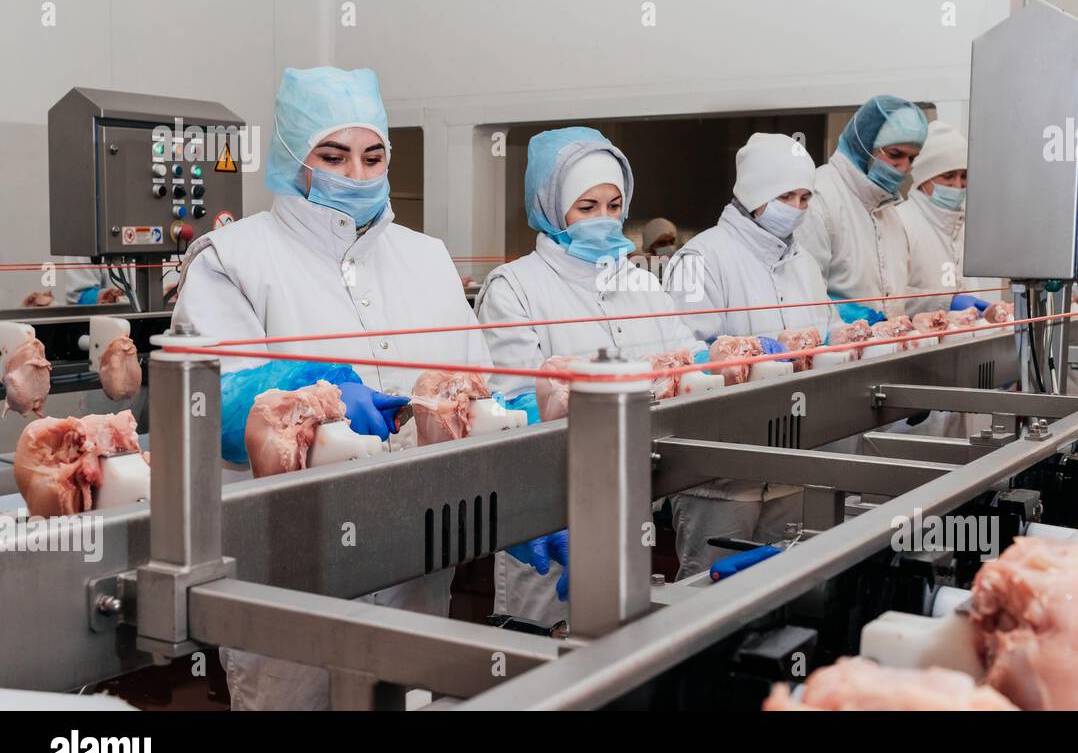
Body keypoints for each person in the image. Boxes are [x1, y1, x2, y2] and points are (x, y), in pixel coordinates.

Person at [172, 66, 492, 709]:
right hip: (286, 575)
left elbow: (485, 388)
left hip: (414, 558)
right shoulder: (233, 258)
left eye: (374, 157)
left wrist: (525, 481)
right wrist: (319, 394)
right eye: (334, 155)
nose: (358, 174)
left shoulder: (427, 258)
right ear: (295, 156)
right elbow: (212, 405)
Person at [475, 126, 705, 623]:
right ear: (551, 208)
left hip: (634, 490)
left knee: (622, 647)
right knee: (541, 651)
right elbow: (511, 403)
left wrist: (727, 361)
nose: (604, 219)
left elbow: (688, 360)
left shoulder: (645, 284)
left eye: (613, 204)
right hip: (549, 506)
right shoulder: (515, 287)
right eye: (586, 207)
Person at [663, 133, 835, 577]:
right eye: (785, 196)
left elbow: (825, 336)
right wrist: (750, 353)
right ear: (754, 195)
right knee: (708, 595)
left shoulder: (805, 264)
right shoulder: (702, 257)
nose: (796, 208)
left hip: (789, 468)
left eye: (804, 197)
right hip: (718, 480)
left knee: (780, 592)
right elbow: (680, 355)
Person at [796, 96, 929, 318]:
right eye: (895, 154)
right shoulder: (819, 199)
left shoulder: (889, 211)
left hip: (887, 349)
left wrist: (947, 303)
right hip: (837, 350)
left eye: (912, 158)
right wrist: (855, 317)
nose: (904, 167)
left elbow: (893, 292)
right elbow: (802, 295)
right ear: (863, 143)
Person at [897, 122, 1002, 315]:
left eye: (964, 176)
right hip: (918, 341)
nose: (957, 185)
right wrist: (947, 302)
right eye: (948, 176)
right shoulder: (900, 222)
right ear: (923, 178)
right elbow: (888, 296)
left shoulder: (962, 227)